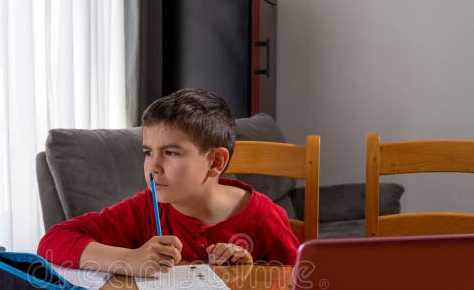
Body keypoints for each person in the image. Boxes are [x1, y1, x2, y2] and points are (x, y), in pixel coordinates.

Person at [37, 88, 300, 276]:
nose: (153, 167)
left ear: (215, 162)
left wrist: (252, 272)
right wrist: (130, 259)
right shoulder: (143, 209)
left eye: (171, 153)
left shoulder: (263, 215)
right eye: (148, 152)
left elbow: (298, 283)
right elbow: (53, 241)